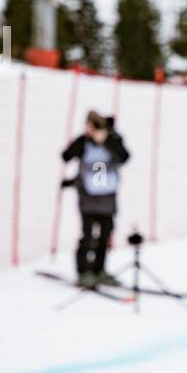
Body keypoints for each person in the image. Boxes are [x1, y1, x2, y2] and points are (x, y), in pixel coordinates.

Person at [62, 110, 130, 287]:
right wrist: (84, 139)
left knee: (105, 234)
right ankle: (84, 272)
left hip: (107, 196)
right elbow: (66, 156)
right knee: (87, 235)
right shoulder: (83, 142)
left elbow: (125, 157)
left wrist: (106, 140)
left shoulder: (113, 140)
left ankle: (99, 270)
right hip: (88, 196)